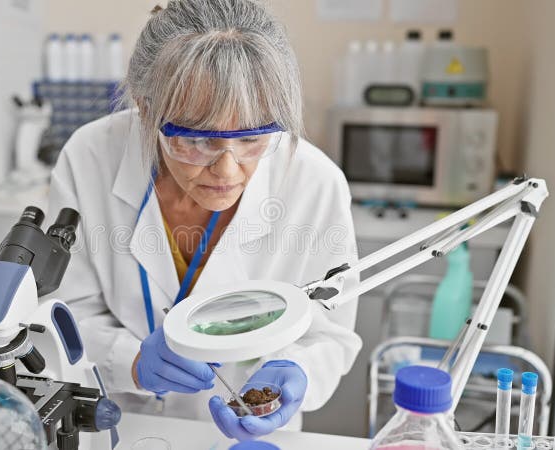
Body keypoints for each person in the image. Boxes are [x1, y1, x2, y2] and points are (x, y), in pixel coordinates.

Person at [47, 0, 362, 441]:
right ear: (146, 108)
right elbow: (63, 310)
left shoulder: (314, 183)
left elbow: (328, 333)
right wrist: (132, 361)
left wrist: (298, 370)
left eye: (253, 138)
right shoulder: (91, 156)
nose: (228, 170)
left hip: (248, 438)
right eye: (197, 141)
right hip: (120, 423)